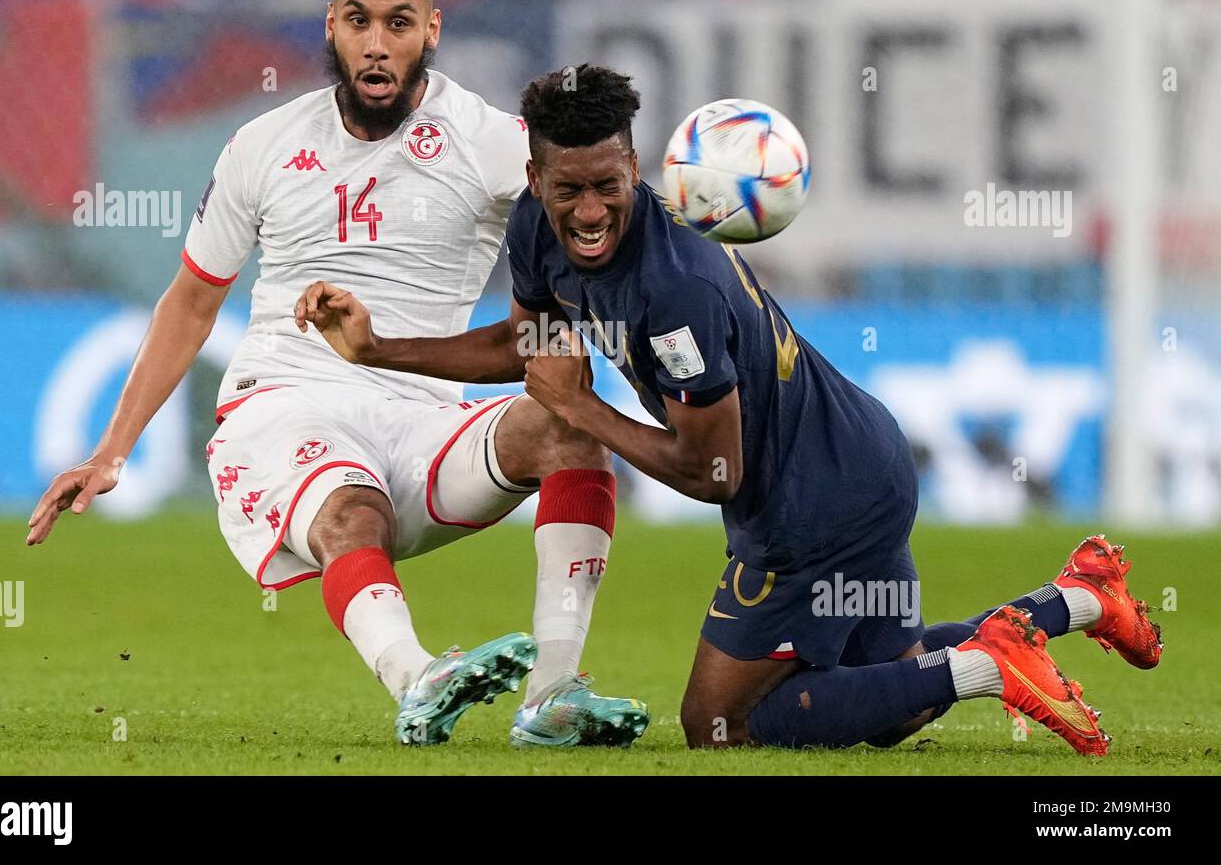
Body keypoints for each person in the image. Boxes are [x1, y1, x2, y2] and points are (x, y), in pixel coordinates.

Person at [297, 64, 1162, 754]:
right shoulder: (534, 228)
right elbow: (525, 345)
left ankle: (983, 666)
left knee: (720, 725)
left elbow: (714, 472)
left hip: (808, 506)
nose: (590, 211)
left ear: (634, 167)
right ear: (536, 178)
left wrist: (585, 410)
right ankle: (1077, 599)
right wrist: (378, 348)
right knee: (888, 692)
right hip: (859, 460)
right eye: (568, 191)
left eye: (608, 185)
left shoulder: (674, 289)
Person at [26, 0, 647, 749]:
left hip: (422, 424)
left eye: (398, 23)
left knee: (572, 423)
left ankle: (553, 695)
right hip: (280, 409)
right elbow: (190, 302)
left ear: (432, 30)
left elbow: (598, 206)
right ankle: (418, 679)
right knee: (352, 510)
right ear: (332, 26)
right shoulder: (264, 144)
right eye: (359, 21)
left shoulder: (494, 143)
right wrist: (111, 451)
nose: (377, 44)